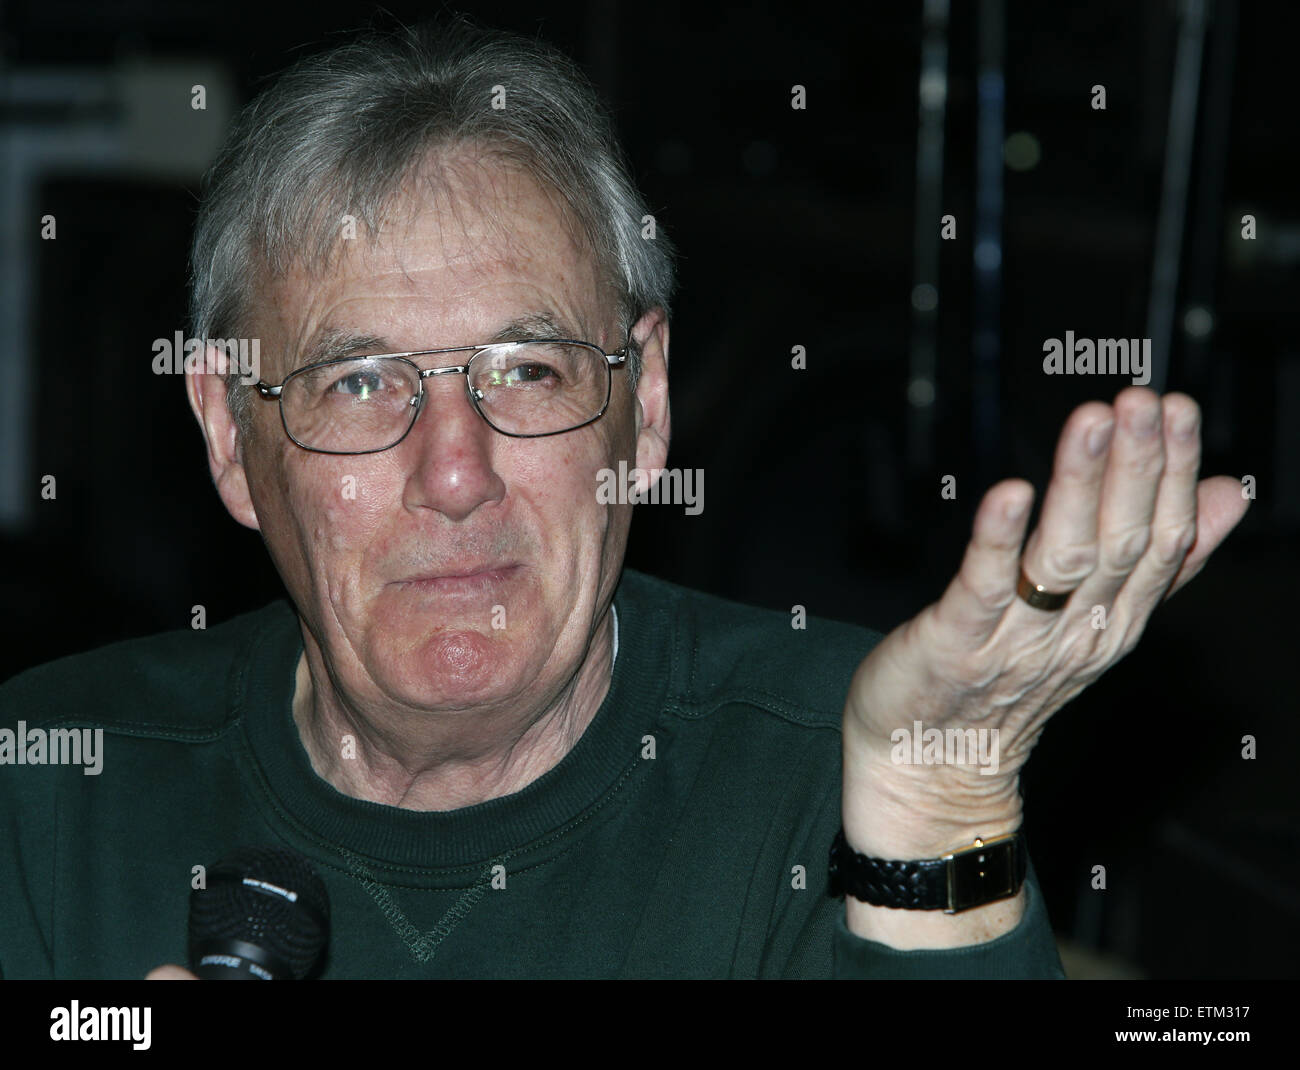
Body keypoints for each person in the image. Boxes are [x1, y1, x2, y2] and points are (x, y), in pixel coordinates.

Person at [0, 19, 1248, 980]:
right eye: (360, 381)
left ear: (644, 404)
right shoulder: (53, 786)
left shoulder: (851, 765)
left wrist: (939, 808)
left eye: (527, 371)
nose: (453, 472)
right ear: (230, 432)